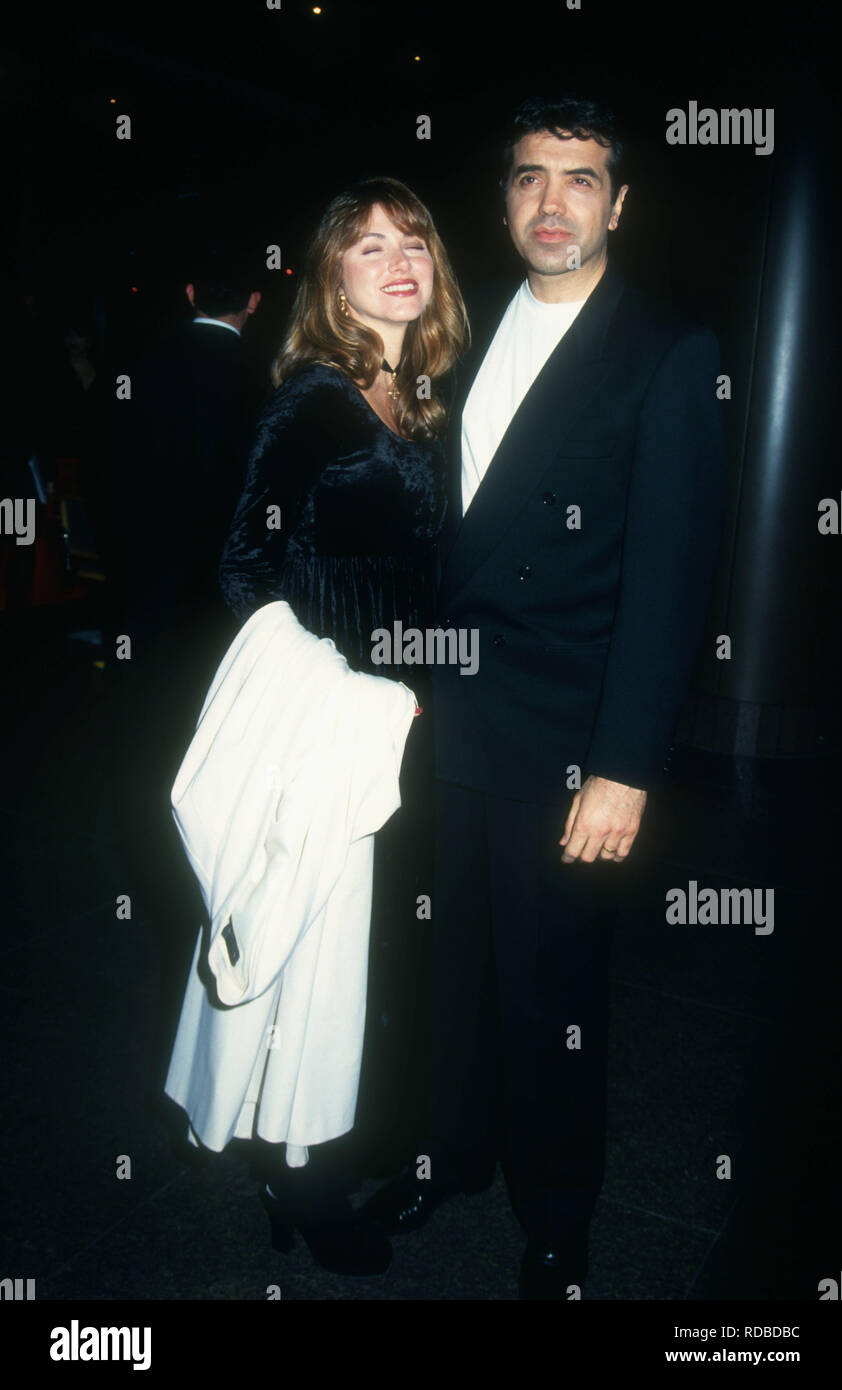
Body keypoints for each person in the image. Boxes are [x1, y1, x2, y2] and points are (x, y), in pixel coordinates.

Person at [363, 96, 727, 1299]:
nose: (553, 203)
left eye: (580, 181)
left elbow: (670, 584)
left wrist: (626, 766)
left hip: (570, 744)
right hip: (449, 722)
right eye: (530, 179)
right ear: (507, 199)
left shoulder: (667, 355)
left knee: (553, 994)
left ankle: (558, 1218)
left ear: (618, 205)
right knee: (449, 968)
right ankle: (451, 1154)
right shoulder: (456, 337)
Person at [215, 177, 468, 1275]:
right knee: (311, 947)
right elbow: (243, 569)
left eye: (412, 241)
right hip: (336, 716)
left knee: (367, 957)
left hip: (407, 722)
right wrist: (336, 689)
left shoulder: (418, 395)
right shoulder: (313, 399)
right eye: (368, 247)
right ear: (332, 277)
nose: (398, 260)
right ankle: (298, 1174)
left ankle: (344, 1136)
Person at [102, 248, 266, 1097]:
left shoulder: (142, 369)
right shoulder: (270, 379)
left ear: (193, 290)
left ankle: (171, 903)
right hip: (229, 617)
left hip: (152, 605)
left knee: (156, 763)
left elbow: (113, 486)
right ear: (255, 297)